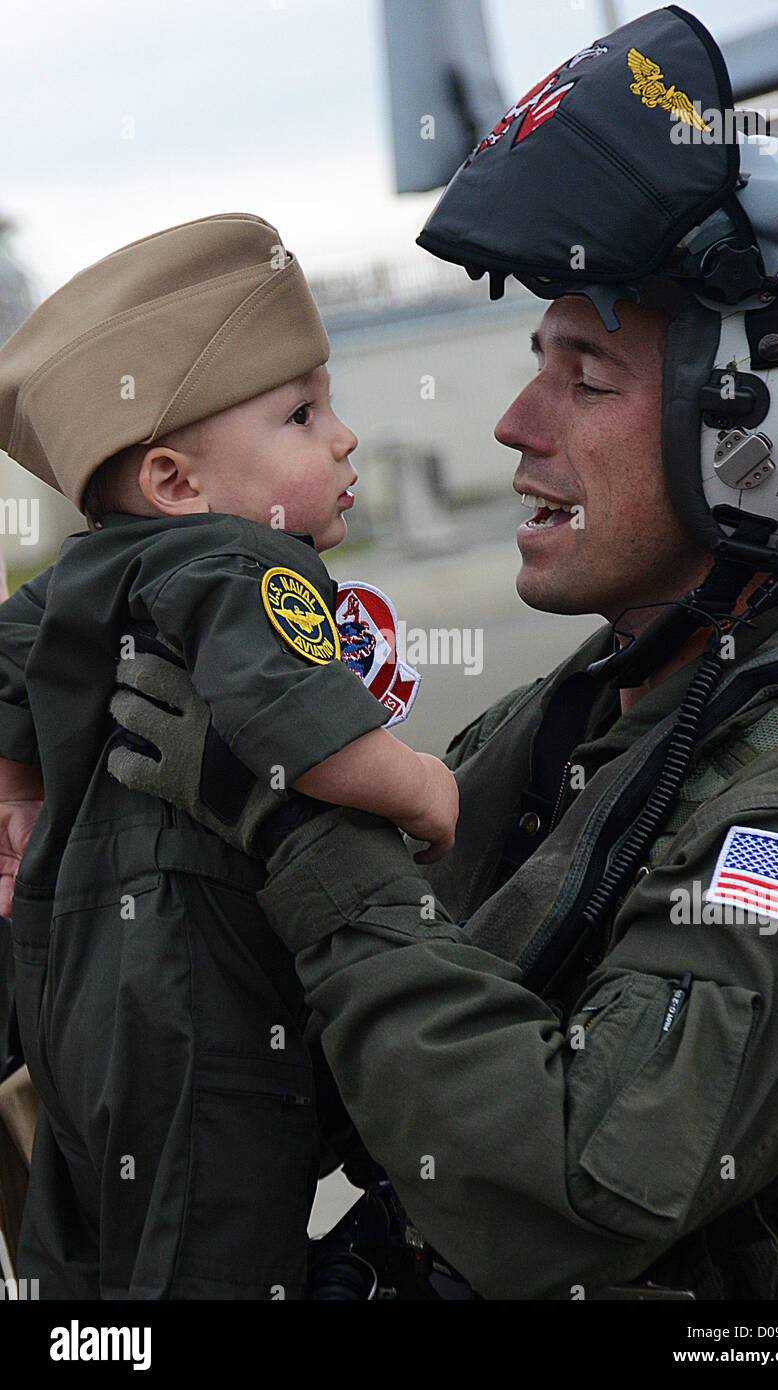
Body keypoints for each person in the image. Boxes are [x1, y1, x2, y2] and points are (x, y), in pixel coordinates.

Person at [101, 6, 778, 1300]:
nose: (513, 423)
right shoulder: (589, 716)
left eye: (588, 376)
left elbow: (579, 1185)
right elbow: (339, 1049)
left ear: (758, 425)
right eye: (531, 362)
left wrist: (298, 832)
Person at [0, 211, 457, 1298]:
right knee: (217, 1247)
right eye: (302, 413)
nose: (343, 436)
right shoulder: (241, 561)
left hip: (68, 985)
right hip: (192, 994)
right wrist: (430, 791)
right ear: (174, 481)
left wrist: (18, 777)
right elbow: (312, 734)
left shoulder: (88, 571)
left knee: (88, 1248)